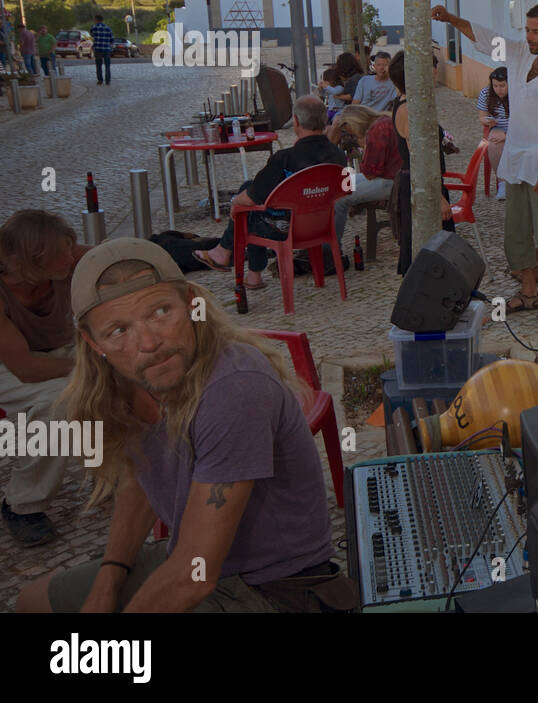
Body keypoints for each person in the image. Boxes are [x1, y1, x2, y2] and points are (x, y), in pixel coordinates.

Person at [15, 237, 356, 613]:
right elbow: (142, 482)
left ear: (193, 305)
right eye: (118, 331)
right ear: (92, 342)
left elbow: (194, 576)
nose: (148, 343)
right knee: (32, 601)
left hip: (274, 586)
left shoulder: (234, 387)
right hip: (190, 557)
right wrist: (107, 581)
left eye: (161, 312)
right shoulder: (125, 382)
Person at [432, 2, 538, 315]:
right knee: (515, 233)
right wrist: (450, 18)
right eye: (527, 30)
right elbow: (484, 36)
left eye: (537, 31)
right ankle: (529, 293)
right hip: (516, 160)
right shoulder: (519, 54)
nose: (529, 36)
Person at [0, 211, 92, 546]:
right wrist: (91, 367)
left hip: (61, 350)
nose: (71, 257)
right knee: (58, 404)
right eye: (61, 253)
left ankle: (116, 471)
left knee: (134, 372)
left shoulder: (69, 260)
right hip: (9, 366)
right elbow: (25, 368)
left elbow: (121, 260)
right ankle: (23, 504)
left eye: (70, 248)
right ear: (32, 260)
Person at [193, 97, 346, 290]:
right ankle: (243, 267)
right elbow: (344, 190)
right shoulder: (339, 156)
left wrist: (234, 202)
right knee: (253, 193)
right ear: (325, 121)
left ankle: (231, 256)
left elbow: (251, 198)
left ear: (296, 122)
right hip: (322, 224)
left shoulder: (284, 158)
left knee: (249, 204)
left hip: (284, 230)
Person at [387, 53, 455, 275]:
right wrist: (439, 198)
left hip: (426, 185)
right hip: (422, 189)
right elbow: (419, 159)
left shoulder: (411, 103)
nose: (435, 71)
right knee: (428, 259)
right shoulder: (409, 110)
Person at [329, 105, 402, 248]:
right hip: (395, 176)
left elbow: (369, 172)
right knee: (341, 184)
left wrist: (364, 146)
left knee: (339, 199)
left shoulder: (376, 131)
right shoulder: (384, 120)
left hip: (392, 182)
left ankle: (332, 247)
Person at [477, 66, 510, 200]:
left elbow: (525, 121)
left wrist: (508, 136)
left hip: (518, 129)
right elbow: (482, 117)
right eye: (495, 86)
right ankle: (502, 182)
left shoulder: (518, 94)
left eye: (502, 86)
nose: (499, 89)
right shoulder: (486, 93)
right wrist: (487, 120)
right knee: (494, 142)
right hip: (497, 127)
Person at [90, 14, 114, 85]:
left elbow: (92, 35)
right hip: (106, 49)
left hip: (98, 49)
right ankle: (108, 80)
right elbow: (112, 39)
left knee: (98, 65)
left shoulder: (94, 28)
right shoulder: (108, 28)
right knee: (107, 66)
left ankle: (100, 80)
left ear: (96, 20)